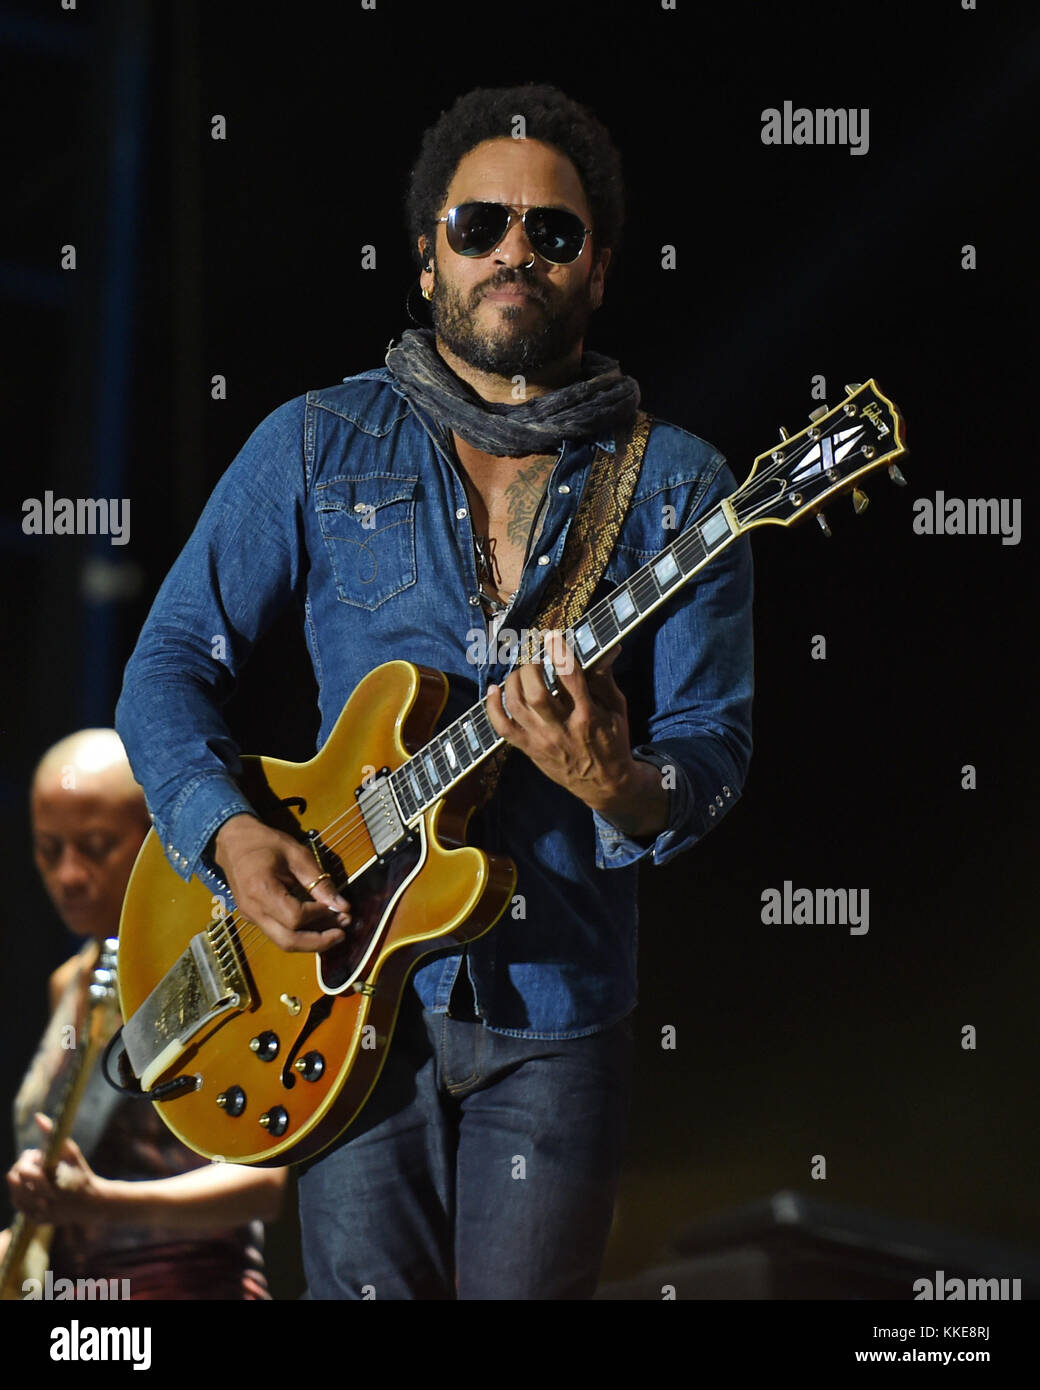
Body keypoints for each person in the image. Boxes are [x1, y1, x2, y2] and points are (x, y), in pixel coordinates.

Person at [115, 84, 754, 1299]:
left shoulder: (681, 488)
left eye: (552, 233)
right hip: (338, 1006)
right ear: (427, 258)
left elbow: (710, 759)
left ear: (597, 272)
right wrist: (228, 830)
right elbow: (164, 669)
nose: (515, 249)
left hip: (554, 1020)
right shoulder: (313, 443)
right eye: (480, 225)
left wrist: (616, 784)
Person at [1, 729, 287, 1300]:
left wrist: (104, 1202)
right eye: (49, 849)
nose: (69, 876)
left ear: (156, 837)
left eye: (97, 844)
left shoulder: (211, 963)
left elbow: (267, 1182)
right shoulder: (69, 982)